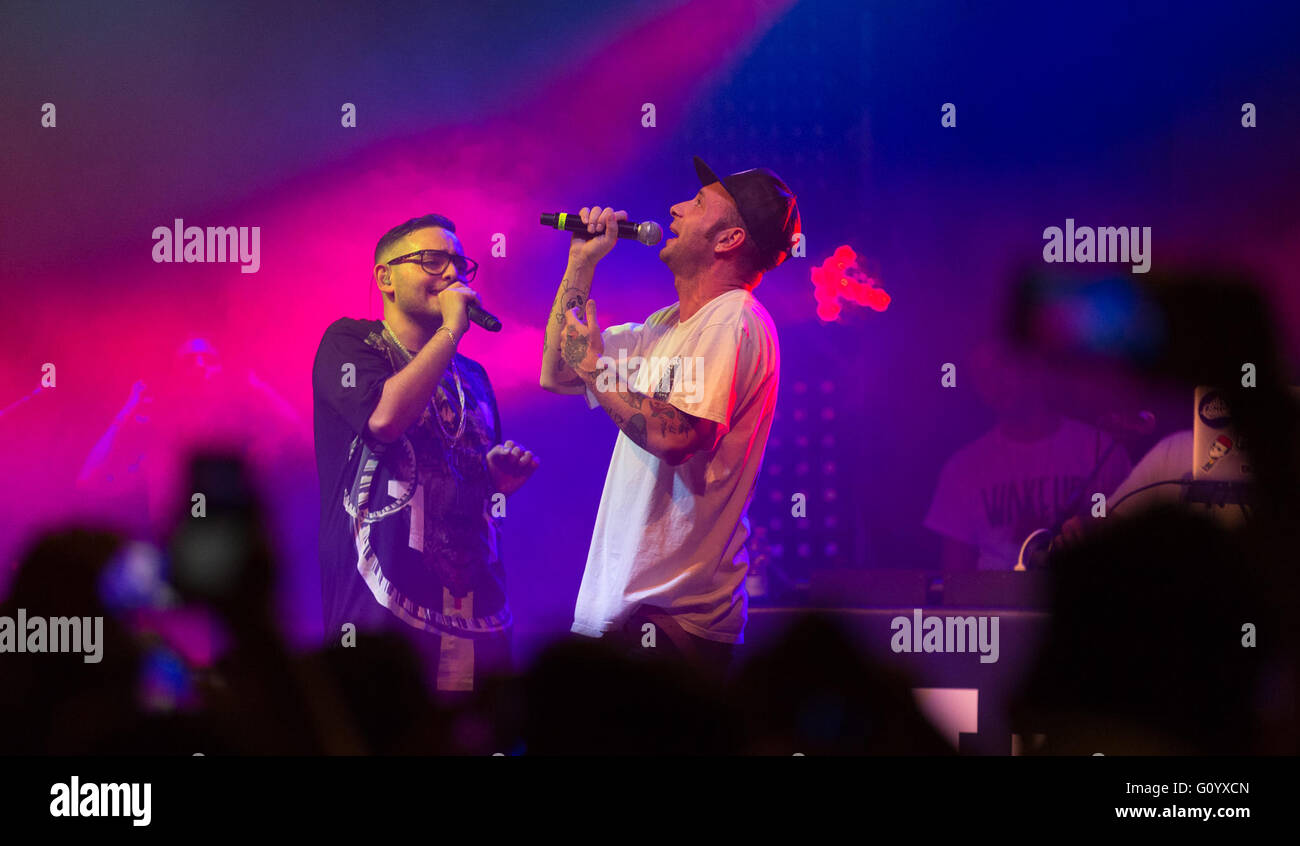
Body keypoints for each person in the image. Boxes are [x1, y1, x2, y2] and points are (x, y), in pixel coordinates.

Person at [539, 157, 799, 674]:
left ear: (728, 240)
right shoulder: (662, 326)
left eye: (699, 204)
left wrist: (596, 368)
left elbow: (676, 434)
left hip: (671, 620)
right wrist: (581, 264)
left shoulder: (735, 319)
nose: (676, 208)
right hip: (623, 610)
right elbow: (558, 373)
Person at [312, 214, 538, 696]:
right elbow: (384, 420)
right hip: (378, 620)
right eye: (432, 261)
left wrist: (492, 480)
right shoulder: (351, 342)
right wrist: (452, 331)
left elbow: (458, 480)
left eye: (458, 264)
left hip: (473, 613)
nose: (452, 274)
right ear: (385, 277)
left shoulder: (474, 377)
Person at [923, 339, 1132, 572]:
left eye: (1001, 367)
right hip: (995, 604)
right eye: (982, 376)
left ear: (1031, 364)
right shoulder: (962, 468)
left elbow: (1128, 542)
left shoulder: (1101, 449)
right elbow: (955, 575)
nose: (995, 383)